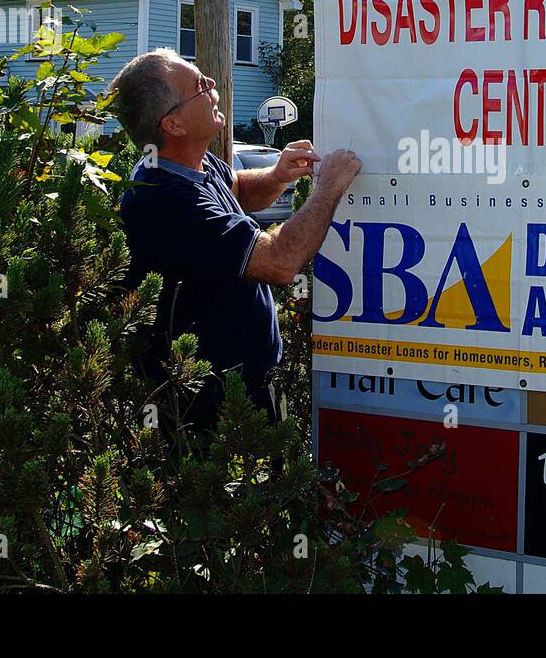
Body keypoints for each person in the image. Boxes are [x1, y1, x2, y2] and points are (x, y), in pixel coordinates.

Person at [108, 48, 360, 434]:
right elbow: (279, 261)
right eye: (199, 87)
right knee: (243, 493)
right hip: (211, 404)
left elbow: (237, 187)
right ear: (173, 125)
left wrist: (278, 175)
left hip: (244, 384)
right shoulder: (165, 199)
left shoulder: (189, 164)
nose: (211, 85)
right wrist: (327, 189)